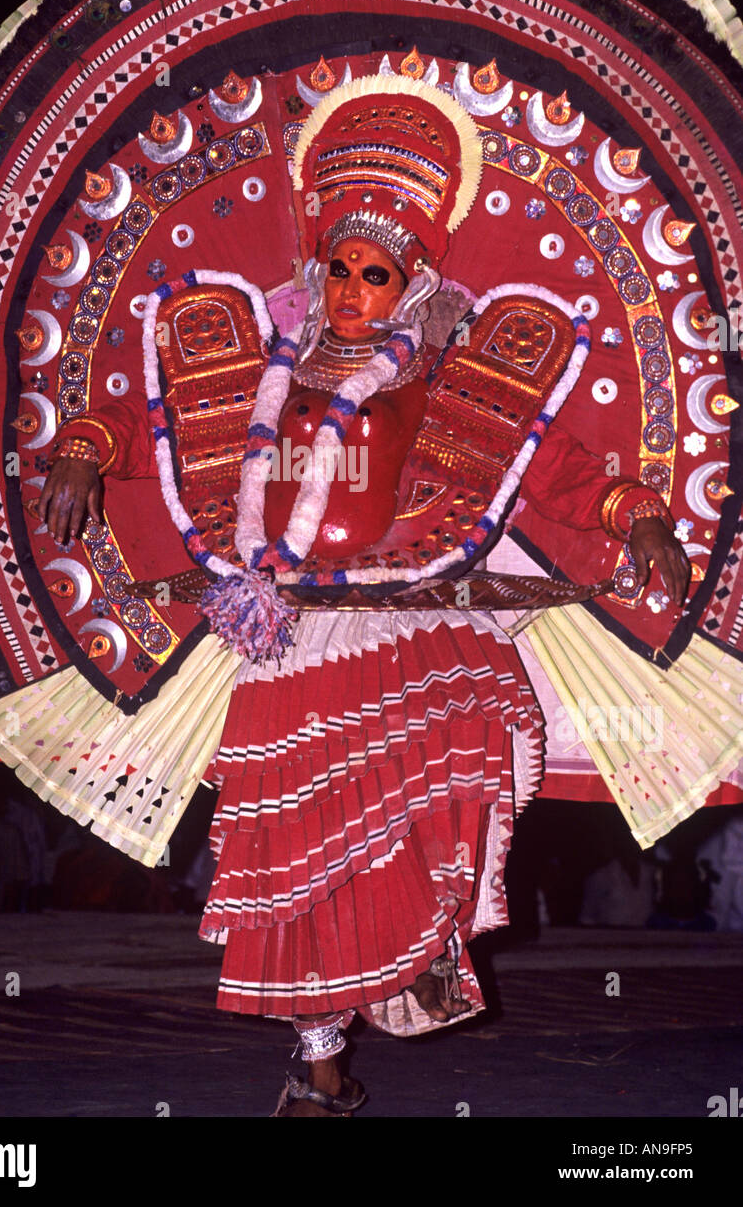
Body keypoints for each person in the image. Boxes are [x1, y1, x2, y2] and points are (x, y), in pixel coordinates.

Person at [39, 74, 689, 1115]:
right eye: (337, 270)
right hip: (288, 628)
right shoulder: (258, 372)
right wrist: (80, 448)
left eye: (375, 275)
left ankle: (433, 938)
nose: (351, 291)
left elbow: (556, 465)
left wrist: (637, 514)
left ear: (412, 283)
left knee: (487, 732)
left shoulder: (442, 379)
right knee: (302, 860)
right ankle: (321, 1064)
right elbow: (144, 421)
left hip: (412, 609)